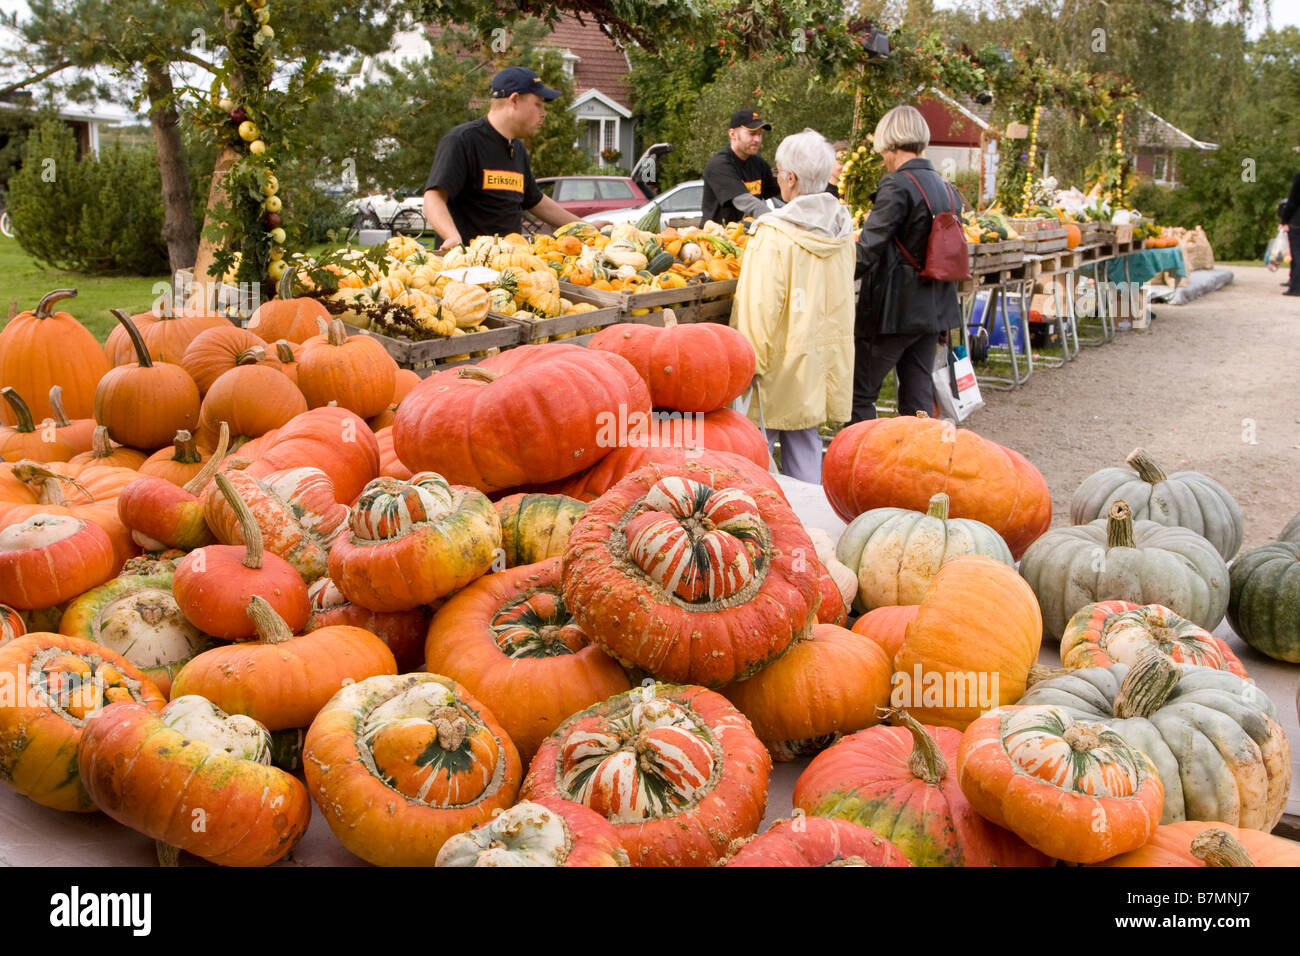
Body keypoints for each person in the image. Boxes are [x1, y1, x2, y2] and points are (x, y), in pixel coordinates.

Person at [730, 129, 855, 484]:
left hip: (779, 370)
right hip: (821, 363)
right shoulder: (842, 229)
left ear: (790, 178)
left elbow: (759, 308)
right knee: (806, 446)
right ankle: (812, 526)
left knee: (756, 457)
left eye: (779, 170)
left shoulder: (773, 233)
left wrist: (747, 366)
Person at [851, 105, 962, 421]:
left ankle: (860, 465)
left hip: (894, 312)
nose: (883, 157)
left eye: (883, 149)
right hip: (934, 309)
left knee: (859, 397)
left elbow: (869, 249)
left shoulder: (896, 185)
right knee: (917, 400)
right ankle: (917, 465)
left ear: (890, 143)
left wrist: (829, 279)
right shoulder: (949, 190)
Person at [422, 67, 592, 250]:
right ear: (515, 100)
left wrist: (585, 228)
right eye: (538, 104)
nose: (544, 113)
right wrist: (452, 236)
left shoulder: (517, 148)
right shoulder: (462, 140)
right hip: (467, 270)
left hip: (509, 267)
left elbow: (536, 201)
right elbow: (433, 198)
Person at [699, 109, 781, 227]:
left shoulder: (758, 163)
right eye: (752, 134)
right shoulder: (719, 165)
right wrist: (777, 223)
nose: (757, 139)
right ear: (733, 134)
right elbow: (746, 202)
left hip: (746, 236)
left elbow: (781, 192)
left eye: (759, 134)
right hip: (718, 238)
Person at [1280, 168, 1300, 296]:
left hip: (1298, 221)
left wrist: (1284, 219)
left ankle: (1296, 286)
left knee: (1297, 253)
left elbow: (1293, 200)